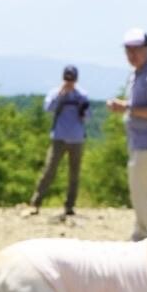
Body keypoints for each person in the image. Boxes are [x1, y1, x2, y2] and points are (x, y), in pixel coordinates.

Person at [107, 28, 147, 241]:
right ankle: (144, 233)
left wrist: (125, 107)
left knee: (142, 192)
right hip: (139, 142)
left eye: (136, 50)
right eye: (128, 50)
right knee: (141, 191)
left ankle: (143, 235)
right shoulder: (138, 72)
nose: (131, 55)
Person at [30, 65, 90, 218]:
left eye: (71, 79)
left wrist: (82, 110)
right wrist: (61, 95)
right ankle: (35, 203)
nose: (69, 82)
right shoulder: (55, 93)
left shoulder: (82, 95)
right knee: (49, 170)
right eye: (67, 78)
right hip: (59, 137)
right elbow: (48, 108)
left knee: (74, 173)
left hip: (76, 137)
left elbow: (88, 116)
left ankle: (69, 206)